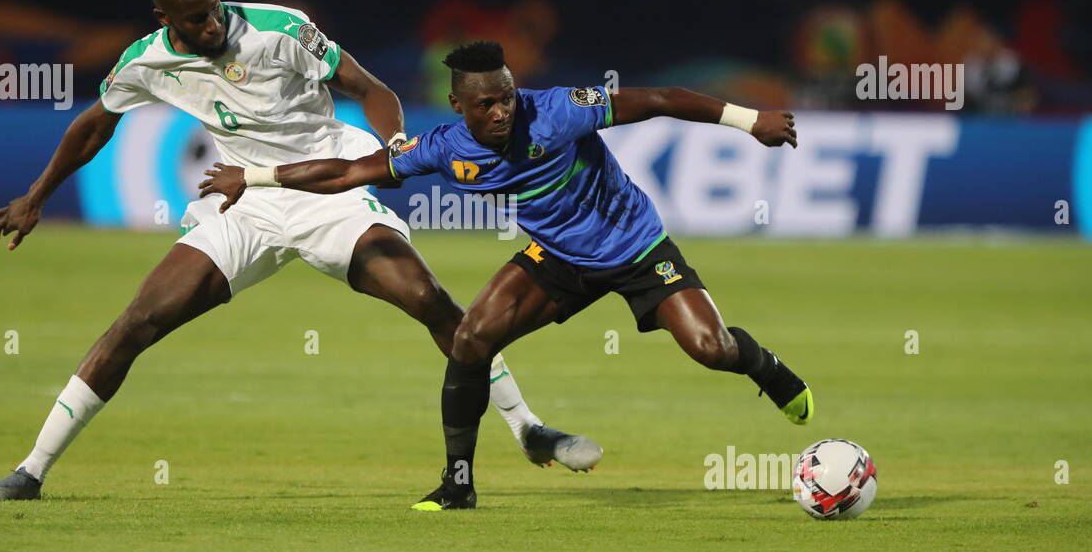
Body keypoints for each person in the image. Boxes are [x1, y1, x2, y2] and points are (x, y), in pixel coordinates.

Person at [0, 0, 600, 503]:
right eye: (194, 19)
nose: (212, 24)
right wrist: (36, 194)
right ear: (167, 19)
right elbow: (94, 124)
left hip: (329, 187)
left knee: (427, 299)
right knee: (138, 322)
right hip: (244, 198)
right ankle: (31, 471)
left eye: (214, 7)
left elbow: (367, 85)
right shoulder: (147, 61)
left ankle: (529, 429)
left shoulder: (279, 29)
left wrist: (395, 147)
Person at [199, 40, 809, 510]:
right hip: (559, 258)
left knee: (710, 347)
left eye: (507, 97)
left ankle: (764, 366)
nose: (500, 112)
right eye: (485, 103)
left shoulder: (560, 112)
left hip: (637, 248)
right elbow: (346, 172)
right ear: (459, 106)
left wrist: (746, 119)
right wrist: (251, 178)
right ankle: (457, 485)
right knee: (469, 339)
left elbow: (656, 100)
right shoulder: (443, 147)